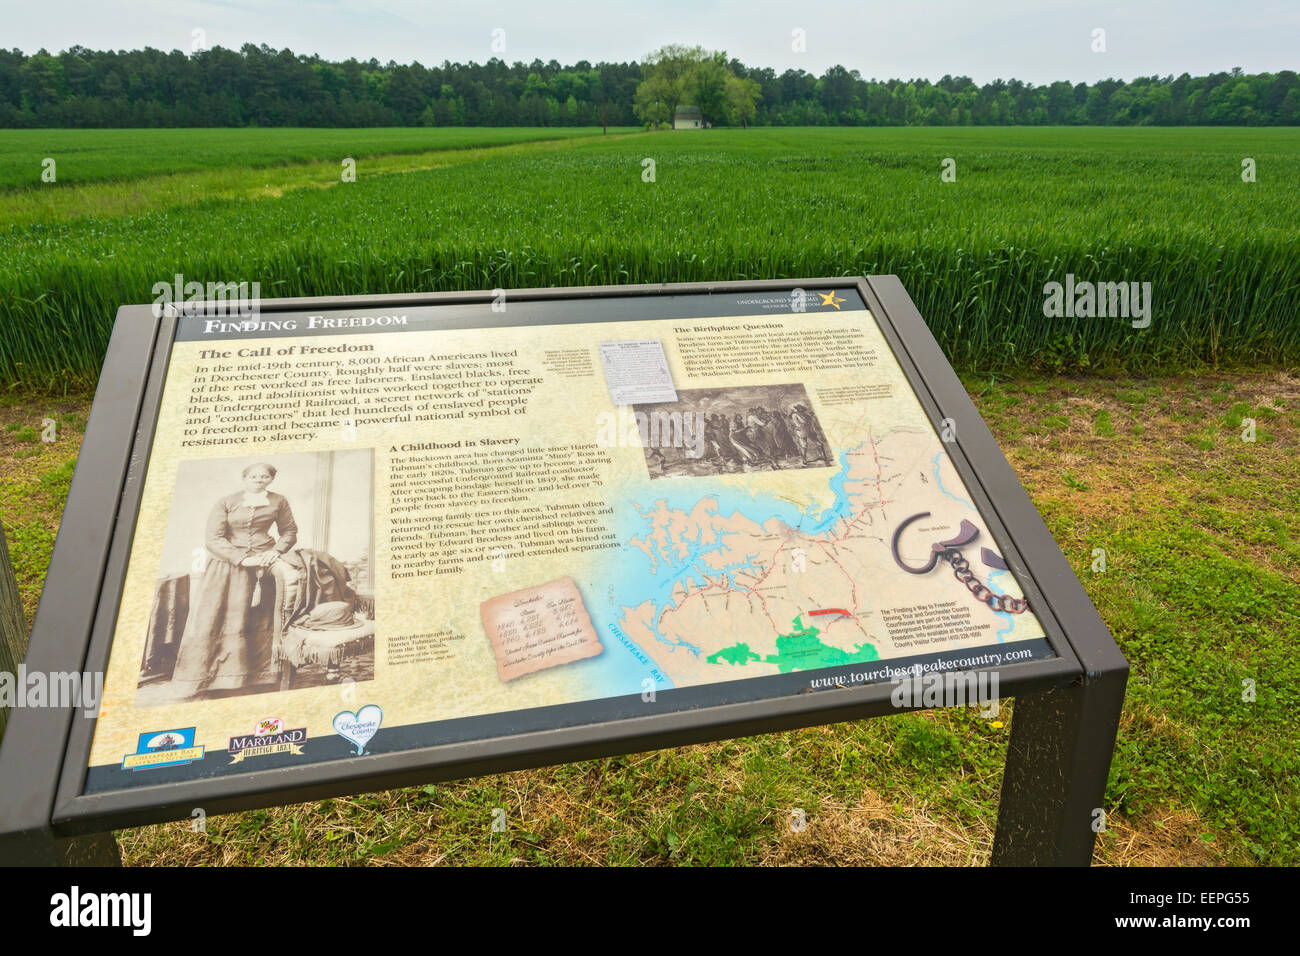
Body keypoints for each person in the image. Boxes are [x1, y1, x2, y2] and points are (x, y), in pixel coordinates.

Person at [169, 463, 299, 699]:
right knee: (217, 617)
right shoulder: (226, 502)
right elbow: (213, 538)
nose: (258, 480)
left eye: (264, 476)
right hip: (226, 566)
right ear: (244, 478)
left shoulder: (279, 501)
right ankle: (209, 679)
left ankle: (259, 677)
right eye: (253, 476)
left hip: (263, 566)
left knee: (260, 620)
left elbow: (289, 532)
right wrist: (241, 559)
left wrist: (276, 551)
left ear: (271, 479)